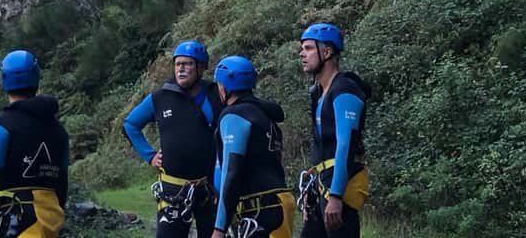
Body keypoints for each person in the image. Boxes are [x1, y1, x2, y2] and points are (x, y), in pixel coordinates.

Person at [122, 40, 223, 238]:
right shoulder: (160, 97)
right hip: (173, 189)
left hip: (210, 189)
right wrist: (149, 155)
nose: (181, 69)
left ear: (201, 67)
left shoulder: (216, 94)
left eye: (187, 64)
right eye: (178, 64)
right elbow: (130, 125)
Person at [0, 50, 69, 238]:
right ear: (36, 77)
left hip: (17, 223)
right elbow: (62, 184)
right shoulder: (60, 132)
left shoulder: (0, 126)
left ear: (3, 80)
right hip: (50, 223)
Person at [297, 23, 371, 238]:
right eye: (302, 48)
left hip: (339, 189)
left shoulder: (345, 89)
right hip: (322, 186)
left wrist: (336, 196)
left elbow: (345, 145)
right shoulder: (319, 93)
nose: (302, 53)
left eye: (309, 48)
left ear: (327, 52)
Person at [210, 56, 295, 238]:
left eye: (219, 84)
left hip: (262, 208)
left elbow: (231, 172)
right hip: (278, 202)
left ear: (225, 86)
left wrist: (219, 228)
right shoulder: (262, 113)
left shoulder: (234, 116)